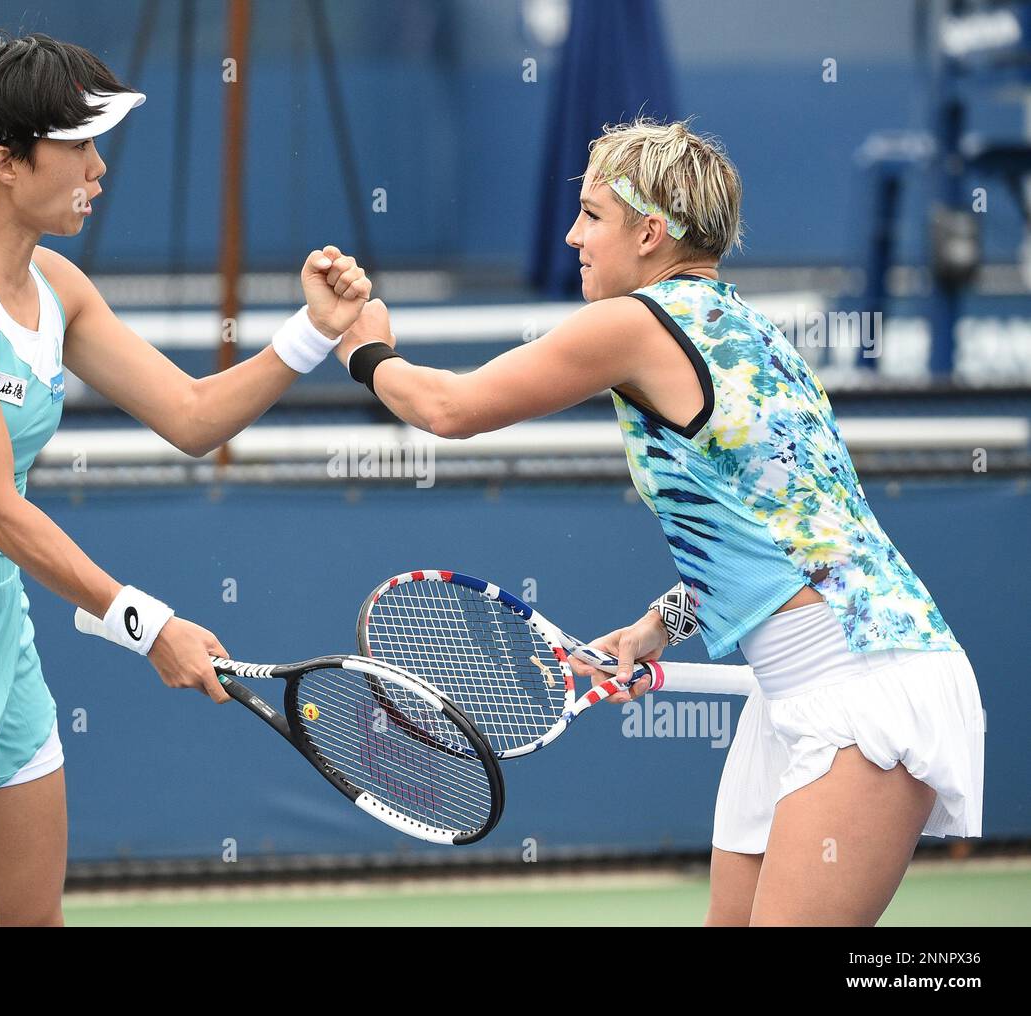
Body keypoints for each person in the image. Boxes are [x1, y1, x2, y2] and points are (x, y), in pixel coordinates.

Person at [335, 118, 984, 926]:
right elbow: (784, 532)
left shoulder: (635, 324)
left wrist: (364, 349)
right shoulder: (749, 331)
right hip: (796, 688)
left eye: (592, 216)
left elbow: (449, 408)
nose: (572, 235)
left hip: (865, 682)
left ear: (650, 233)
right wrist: (662, 623)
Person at [0, 30, 372, 926]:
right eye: (79, 145)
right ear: (8, 163)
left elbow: (191, 417)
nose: (100, 166)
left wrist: (313, 330)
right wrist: (149, 626)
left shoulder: (58, 286)